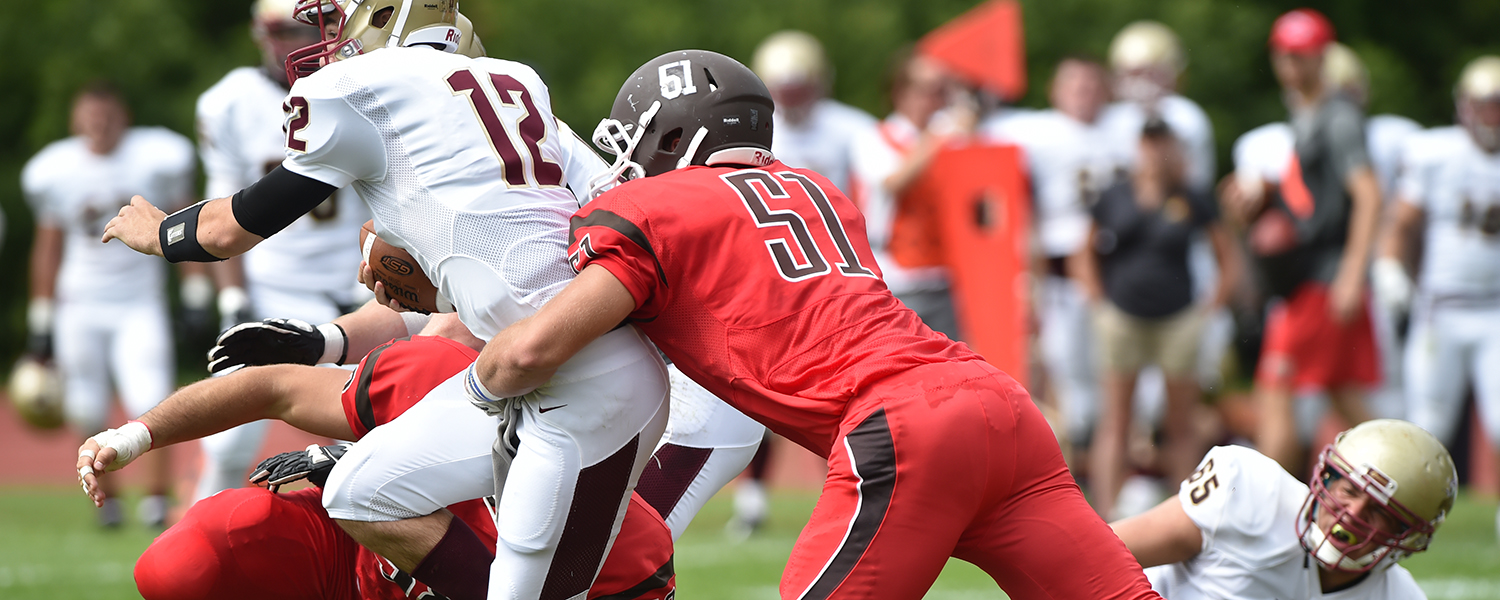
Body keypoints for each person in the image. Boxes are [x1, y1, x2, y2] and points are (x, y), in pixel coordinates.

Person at [467, 49, 1161, 599]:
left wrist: (468, 387)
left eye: (641, 142)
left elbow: (532, 350)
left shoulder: (660, 208)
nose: (629, 164)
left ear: (678, 137)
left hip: (900, 423)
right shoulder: (818, 189)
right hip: (999, 407)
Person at [99, 2, 670, 598]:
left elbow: (227, 231)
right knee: (359, 491)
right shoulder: (517, 81)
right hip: (570, 362)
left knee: (528, 586)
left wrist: (159, 234)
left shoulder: (357, 86)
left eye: (338, 21)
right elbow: (616, 199)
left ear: (386, 17)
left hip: (573, 384)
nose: (330, 41)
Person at [76, 320, 677, 600]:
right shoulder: (428, 370)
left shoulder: (624, 547)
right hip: (360, 562)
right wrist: (134, 436)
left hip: (563, 579)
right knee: (185, 561)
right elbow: (272, 387)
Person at [189, 0, 375, 504]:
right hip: (278, 289)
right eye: (281, 29)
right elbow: (217, 212)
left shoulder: (369, 83)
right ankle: (193, 552)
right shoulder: (229, 102)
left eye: (310, 27)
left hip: (369, 294)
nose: (297, 40)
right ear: (258, 33)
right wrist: (233, 302)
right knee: (229, 440)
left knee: (367, 442)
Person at [1220, 9, 1384, 474]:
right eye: (1285, 57)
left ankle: (1268, 515)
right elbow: (1316, 198)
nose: (1292, 67)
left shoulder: (1337, 117)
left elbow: (1369, 196)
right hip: (1308, 276)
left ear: (1322, 58)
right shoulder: (1306, 112)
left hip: (1325, 277)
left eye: (1303, 57)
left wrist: (1353, 275)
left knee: (1275, 388)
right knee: (1341, 393)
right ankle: (1404, 480)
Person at [24, 81, 195, 527]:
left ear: (124, 117)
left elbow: (182, 227)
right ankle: (108, 500)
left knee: (152, 397)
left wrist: (196, 291)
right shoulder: (55, 169)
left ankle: (157, 499)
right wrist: (40, 317)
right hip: (79, 305)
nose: (98, 125)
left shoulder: (155, 158)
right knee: (85, 406)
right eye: (89, 117)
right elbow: (48, 247)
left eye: (106, 116)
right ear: (76, 121)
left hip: (139, 302)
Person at [727, 30, 876, 539]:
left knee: (838, 388)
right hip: (768, 276)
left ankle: (841, 493)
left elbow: (881, 188)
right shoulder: (748, 132)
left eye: (798, 87)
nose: (791, 99)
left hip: (840, 278)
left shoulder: (851, 129)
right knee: (762, 386)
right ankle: (753, 496)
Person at [1072, 118, 1238, 519]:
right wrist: (1098, 301)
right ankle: (1107, 514)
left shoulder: (1190, 197)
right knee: (1117, 418)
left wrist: (1211, 307)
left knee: (1179, 421)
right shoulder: (1115, 195)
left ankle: (1185, 513)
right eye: (1149, 144)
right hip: (1123, 315)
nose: (1155, 153)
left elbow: (1226, 256)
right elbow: (1086, 252)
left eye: (1162, 144)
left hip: (1177, 317)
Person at [1111, 419, 1455, 599]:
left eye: (1379, 511)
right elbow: (1099, 555)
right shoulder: (1252, 494)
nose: (1351, 513)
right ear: (1327, 478)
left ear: (1405, 535)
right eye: (1350, 490)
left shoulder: (1397, 596)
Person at [1375, 55, 1500, 542]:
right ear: (1464, 107)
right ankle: (1400, 520)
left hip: (1495, 310)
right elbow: (1402, 222)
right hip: (1441, 308)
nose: (1490, 116)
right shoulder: (1435, 153)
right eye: (1484, 105)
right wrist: (1389, 266)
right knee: (1426, 426)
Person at [985, 56, 1121, 454]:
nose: (1084, 93)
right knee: (1069, 369)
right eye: (1074, 85)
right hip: (1062, 268)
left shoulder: (1124, 126)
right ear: (1055, 91)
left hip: (1121, 267)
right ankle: (1080, 455)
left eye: (1092, 84)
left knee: (1123, 376)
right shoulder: (1037, 131)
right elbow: (976, 132)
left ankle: (1132, 462)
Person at [847, 48, 973, 341]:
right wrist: (939, 137)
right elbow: (894, 181)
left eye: (942, 90)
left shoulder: (949, 137)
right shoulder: (875, 136)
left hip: (948, 275)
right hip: (898, 276)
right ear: (901, 92)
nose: (937, 99)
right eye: (929, 90)